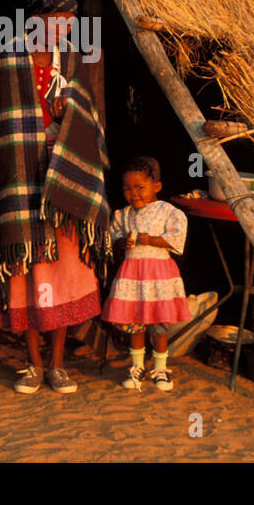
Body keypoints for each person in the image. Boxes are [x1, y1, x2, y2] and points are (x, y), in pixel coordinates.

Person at [0, 0, 111, 395]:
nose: (67, 26)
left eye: (71, 20)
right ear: (36, 17)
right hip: (19, 190)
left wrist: (66, 117)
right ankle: (32, 364)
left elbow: (91, 125)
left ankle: (58, 365)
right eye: (59, 17)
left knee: (60, 279)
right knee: (27, 279)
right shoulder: (5, 63)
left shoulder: (73, 63)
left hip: (64, 194)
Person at [100, 156, 190, 391]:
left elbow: (176, 239)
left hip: (158, 275)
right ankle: (136, 366)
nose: (134, 193)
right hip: (132, 276)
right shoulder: (122, 214)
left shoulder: (169, 212)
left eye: (140, 187)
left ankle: (160, 369)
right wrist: (122, 243)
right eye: (128, 189)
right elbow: (114, 237)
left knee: (158, 325)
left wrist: (152, 240)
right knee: (135, 322)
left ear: (157, 187)